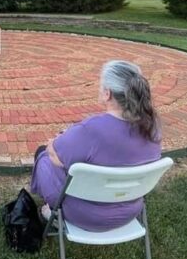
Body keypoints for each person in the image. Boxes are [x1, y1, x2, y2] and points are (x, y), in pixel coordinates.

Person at [30, 60, 162, 231]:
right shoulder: (154, 127)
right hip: (129, 212)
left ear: (107, 94)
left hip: (84, 215)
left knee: (43, 155)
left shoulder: (91, 129)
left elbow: (54, 154)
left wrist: (58, 141)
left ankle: (52, 212)